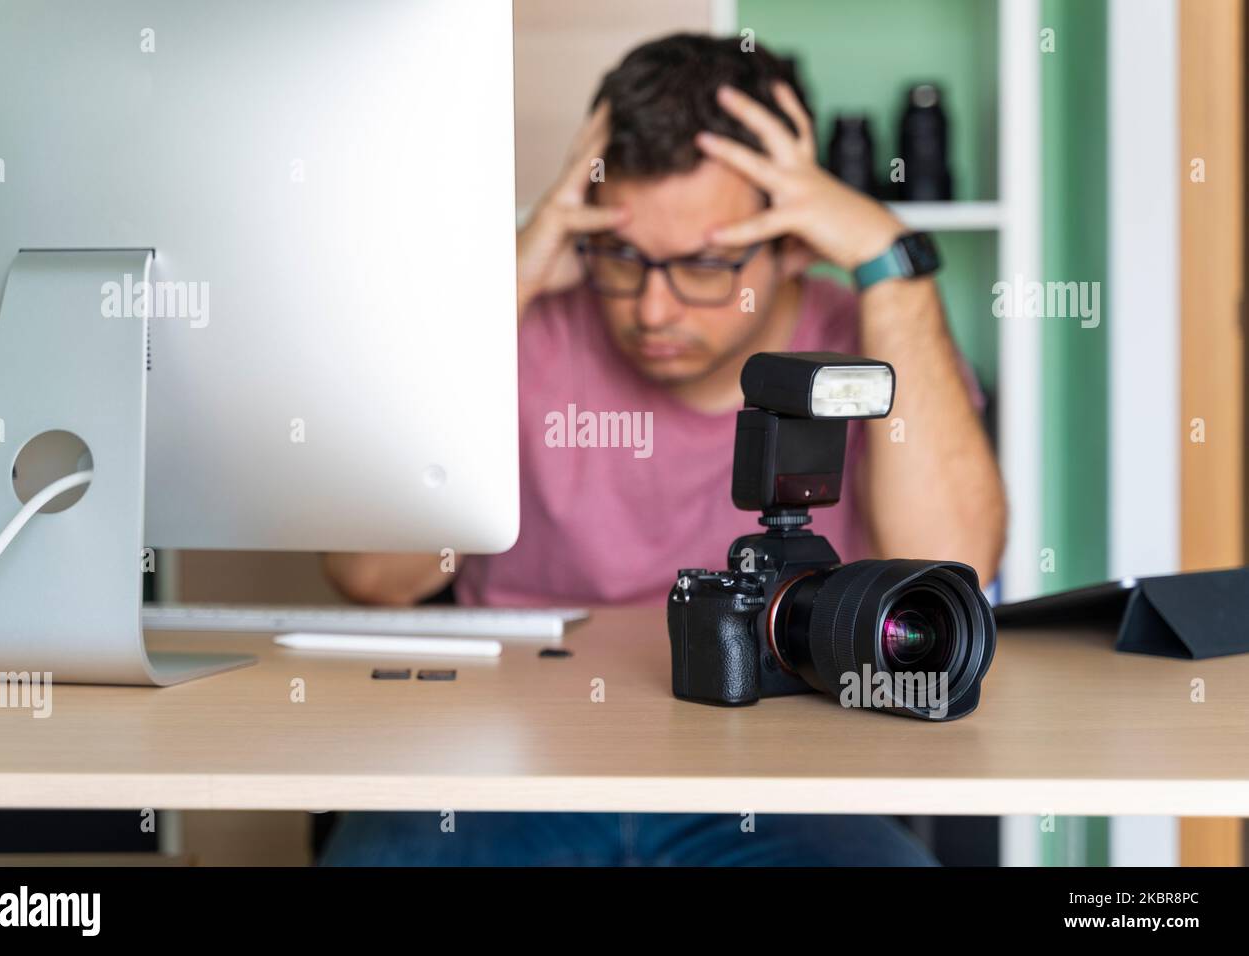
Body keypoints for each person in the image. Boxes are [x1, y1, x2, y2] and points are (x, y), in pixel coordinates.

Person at [320, 34, 1005, 866]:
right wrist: (514, 274)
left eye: (707, 265)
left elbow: (951, 560)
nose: (651, 309)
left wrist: (885, 257)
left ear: (790, 242)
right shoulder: (524, 330)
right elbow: (369, 573)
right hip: (507, 766)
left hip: (786, 773)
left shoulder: (855, 338)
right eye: (624, 257)